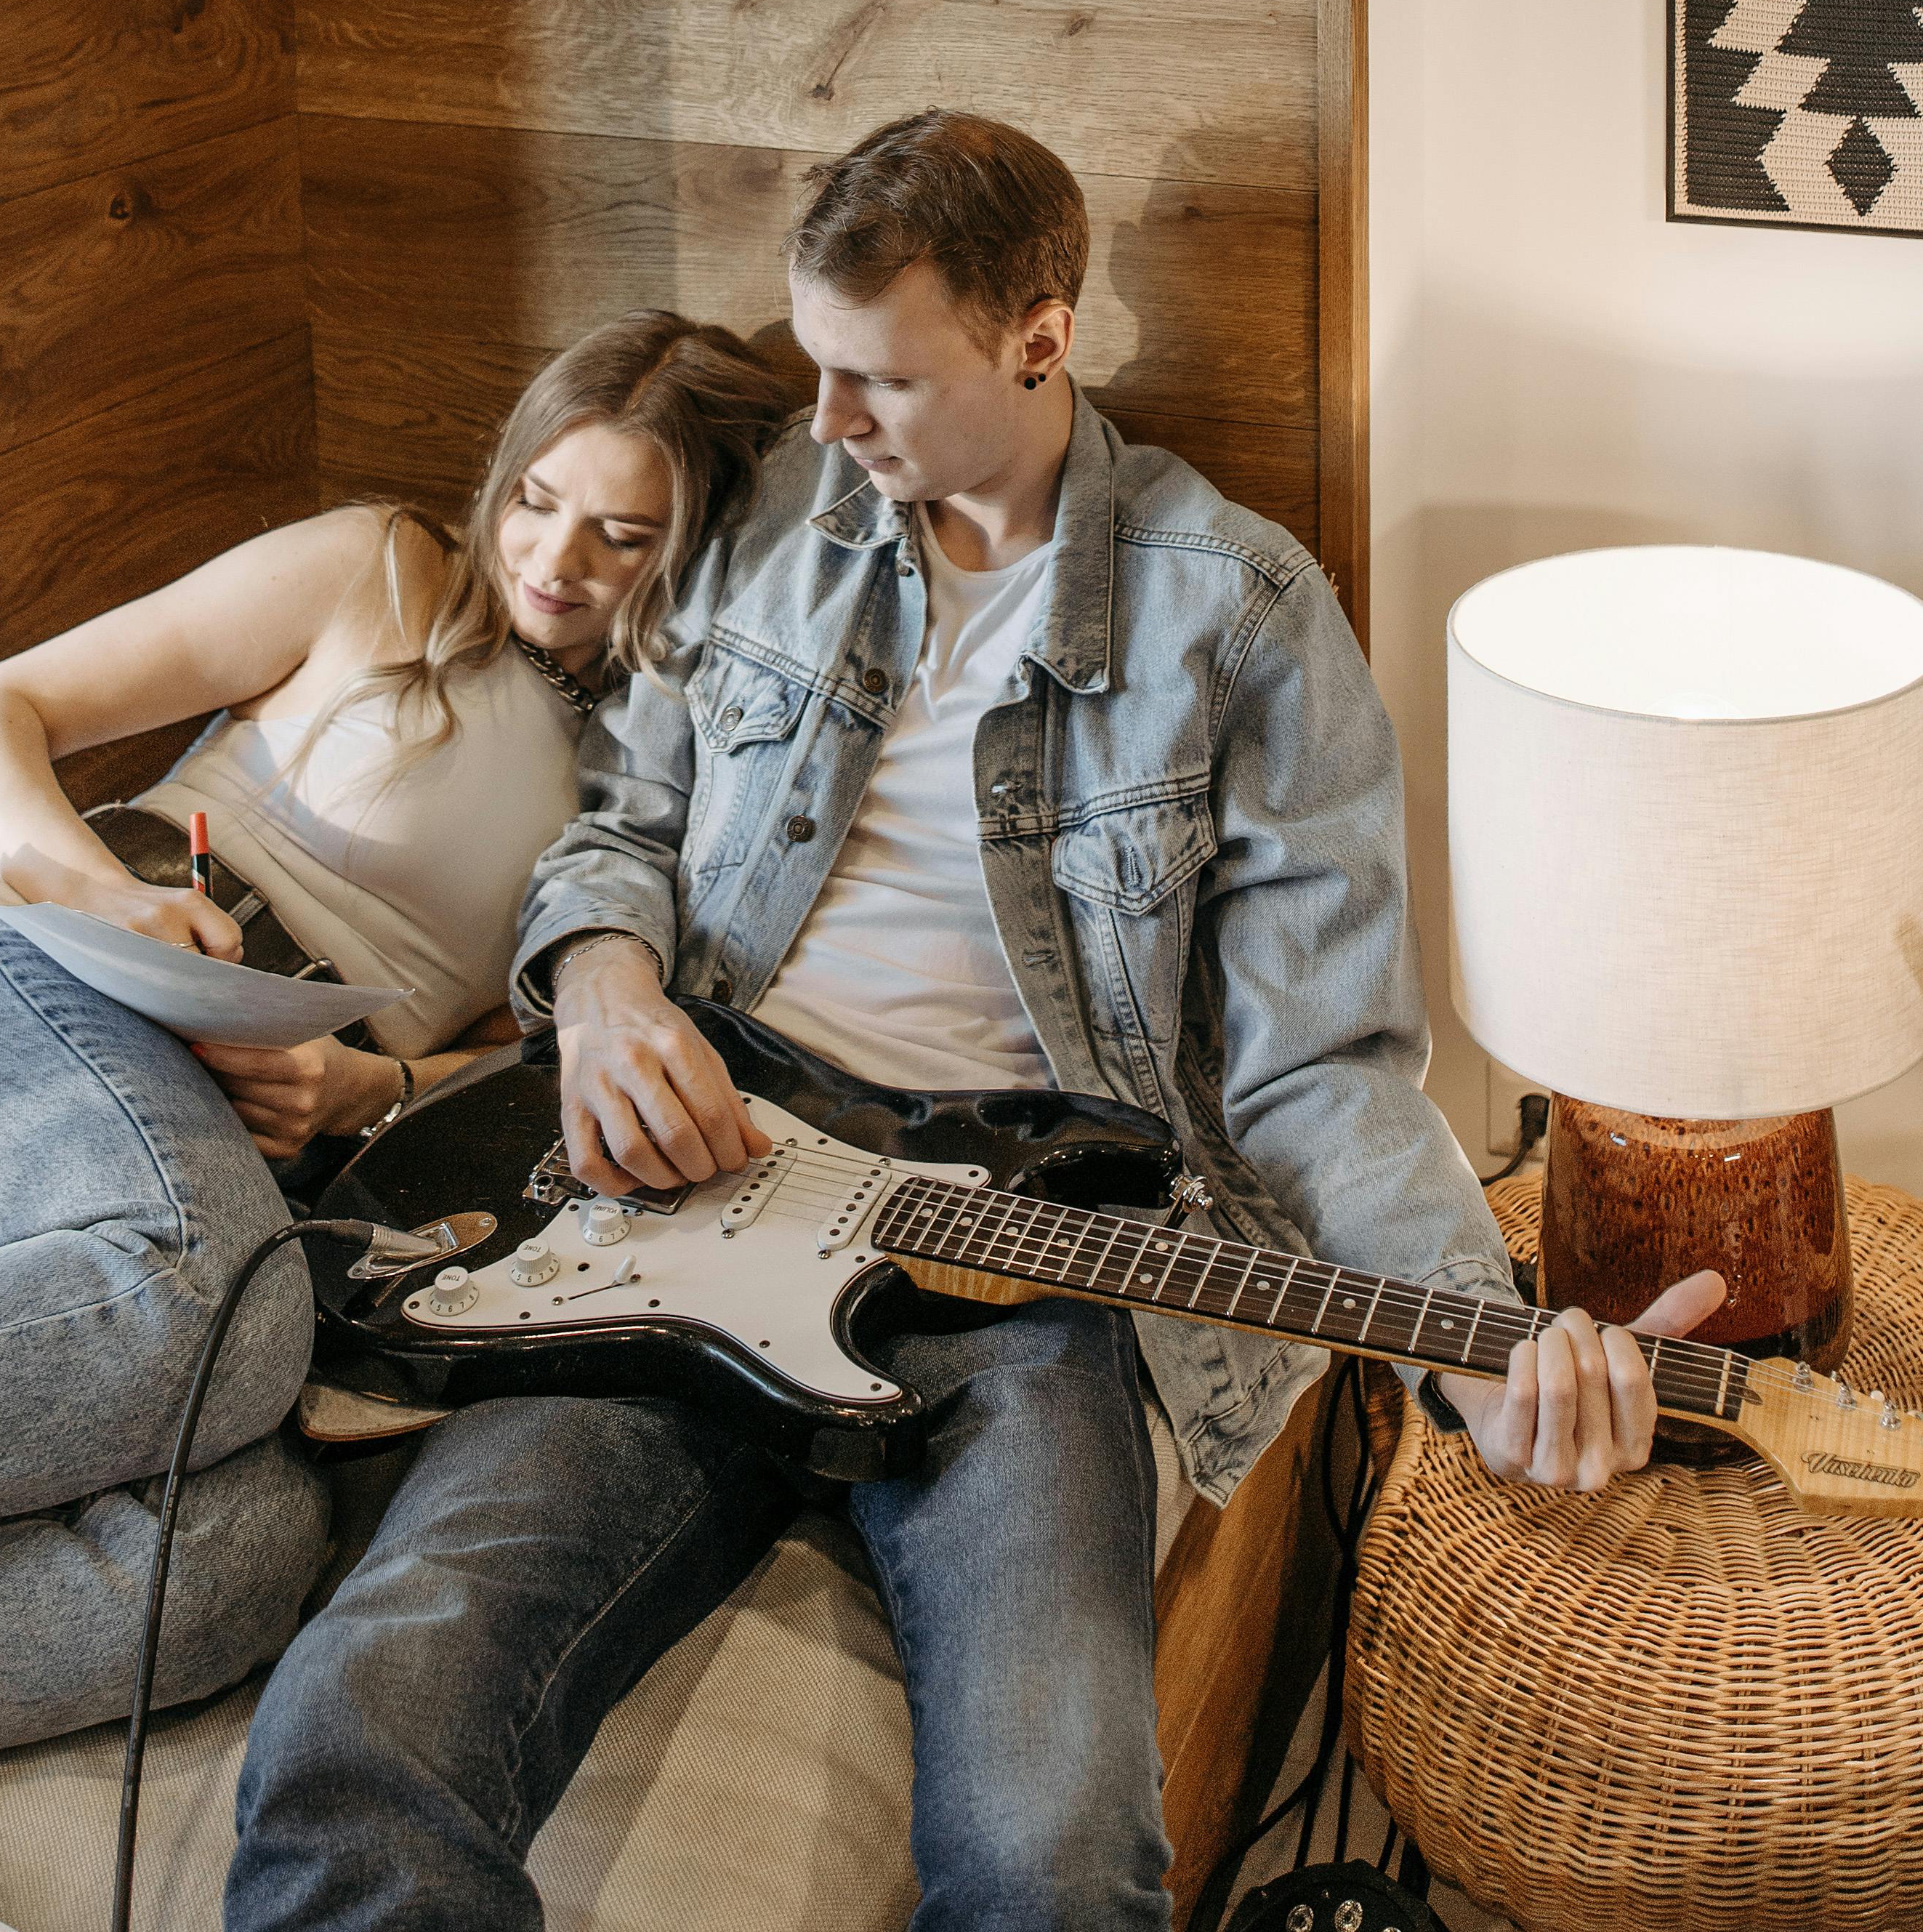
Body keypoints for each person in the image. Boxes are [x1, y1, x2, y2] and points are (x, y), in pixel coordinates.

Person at [227, 113, 1726, 1932]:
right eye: (813, 369)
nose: (829, 426)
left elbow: (1317, 1068)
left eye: (882, 380)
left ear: (1039, 335)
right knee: (357, 1730)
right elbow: (615, 821)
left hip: (1028, 1260)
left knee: (1053, 1856)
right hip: (685, 1194)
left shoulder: (1237, 616)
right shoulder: (771, 515)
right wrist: (606, 990)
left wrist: (1475, 1347)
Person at [0, 311, 797, 1819]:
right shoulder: (378, 573)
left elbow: (504, 1062)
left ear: (704, 545)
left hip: (199, 1175)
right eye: (535, 498)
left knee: (233, 1568)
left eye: (620, 535)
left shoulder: (660, 784)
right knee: (214, 1295)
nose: (553, 557)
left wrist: (365, 1094)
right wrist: (95, 892)